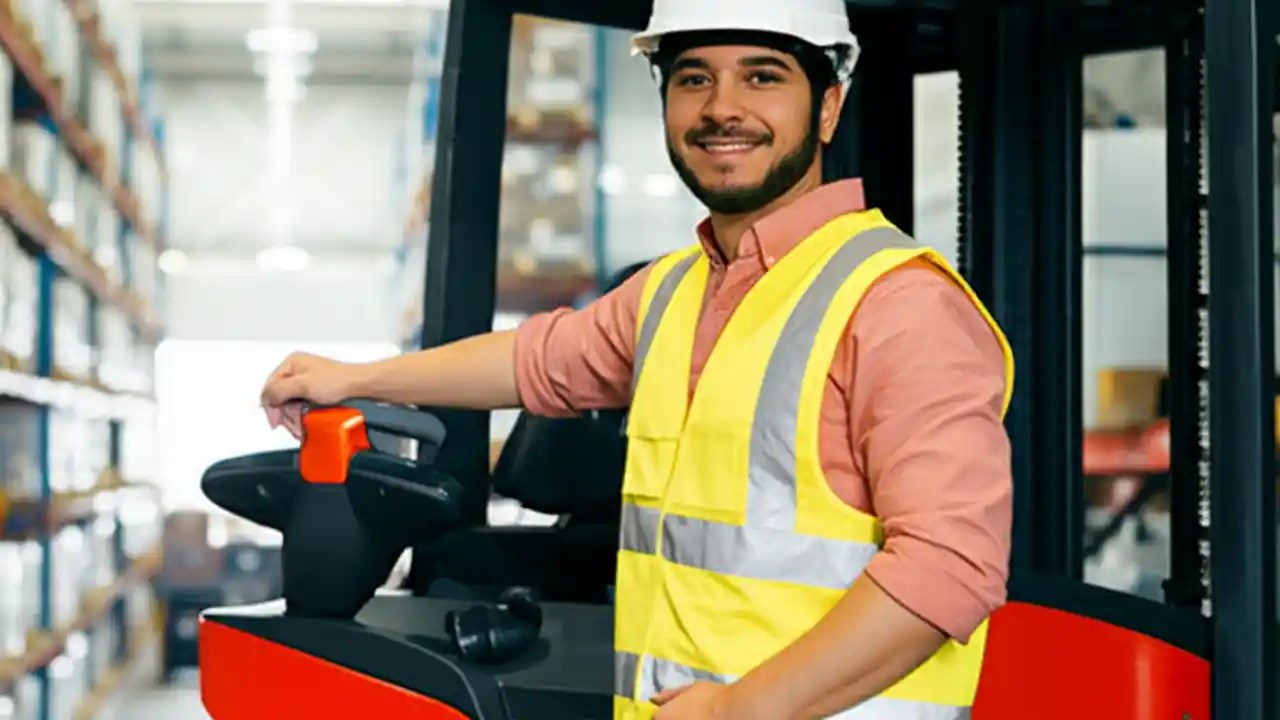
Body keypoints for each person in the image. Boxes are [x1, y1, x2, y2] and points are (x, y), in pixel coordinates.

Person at [260, 0, 1014, 717]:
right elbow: (537, 361)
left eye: (762, 76)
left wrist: (743, 710)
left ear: (827, 108)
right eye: (694, 79)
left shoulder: (898, 304)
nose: (723, 107)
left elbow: (949, 568)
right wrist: (354, 379)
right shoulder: (673, 290)